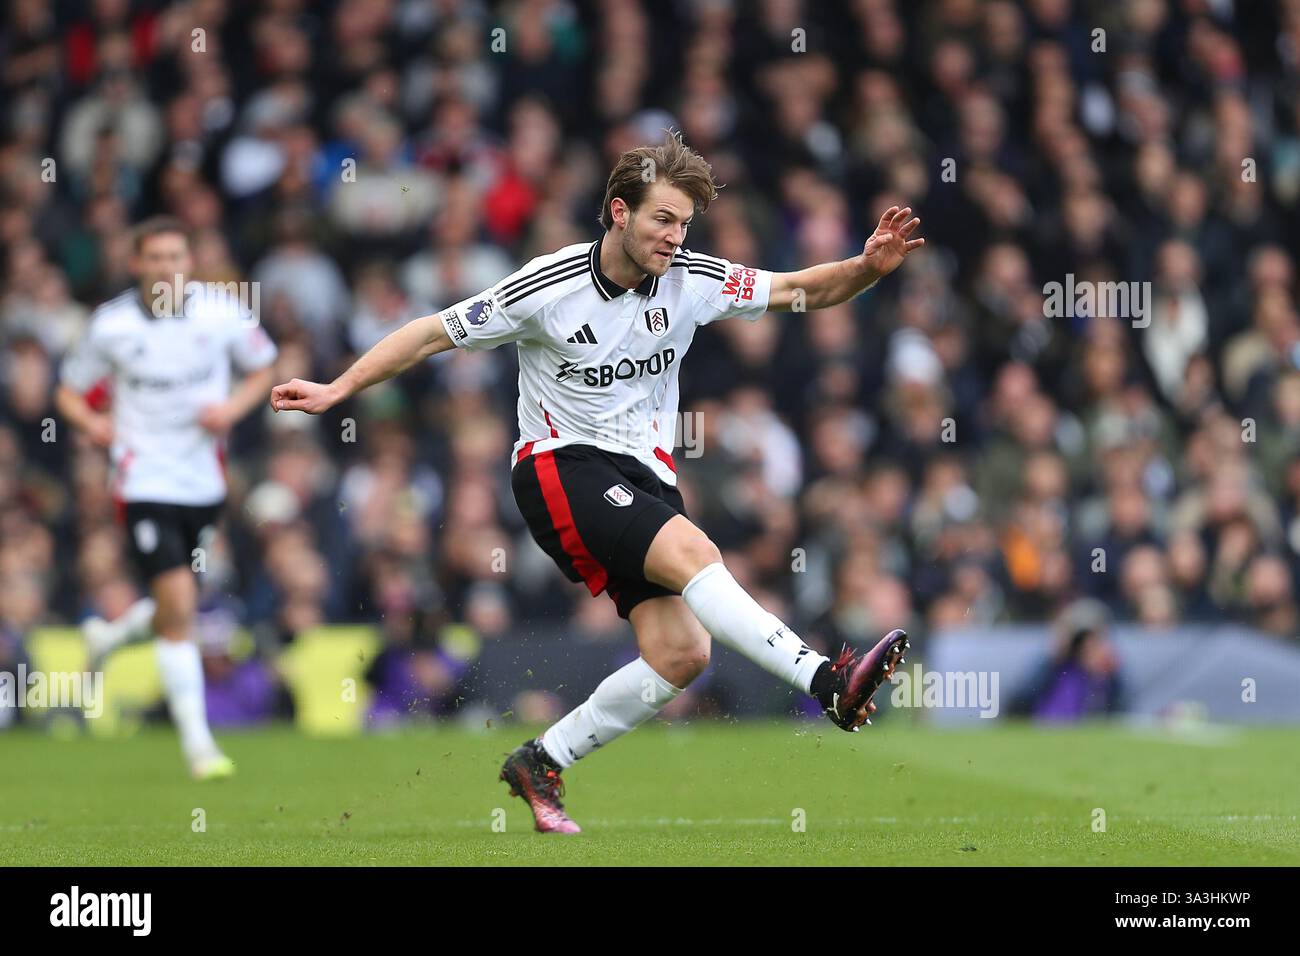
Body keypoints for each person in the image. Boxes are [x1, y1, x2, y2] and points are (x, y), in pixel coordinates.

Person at [269, 132, 922, 832]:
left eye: (683, 224)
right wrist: (339, 388)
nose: (674, 237)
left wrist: (867, 267)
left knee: (681, 654)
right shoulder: (546, 287)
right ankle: (829, 682)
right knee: (698, 555)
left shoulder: (694, 280)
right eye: (661, 220)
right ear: (618, 212)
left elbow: (800, 289)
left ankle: (541, 760)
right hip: (558, 465)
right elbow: (432, 332)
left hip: (644, 477)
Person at [56, 217, 278, 780]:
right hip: (143, 481)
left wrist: (230, 409)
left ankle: (109, 637)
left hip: (203, 482)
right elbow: (68, 391)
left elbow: (263, 367)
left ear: (189, 261)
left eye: (174, 256)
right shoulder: (110, 326)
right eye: (154, 258)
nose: (165, 268)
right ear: (136, 265)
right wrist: (92, 423)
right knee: (179, 605)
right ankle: (199, 747)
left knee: (173, 602)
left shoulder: (222, 312)